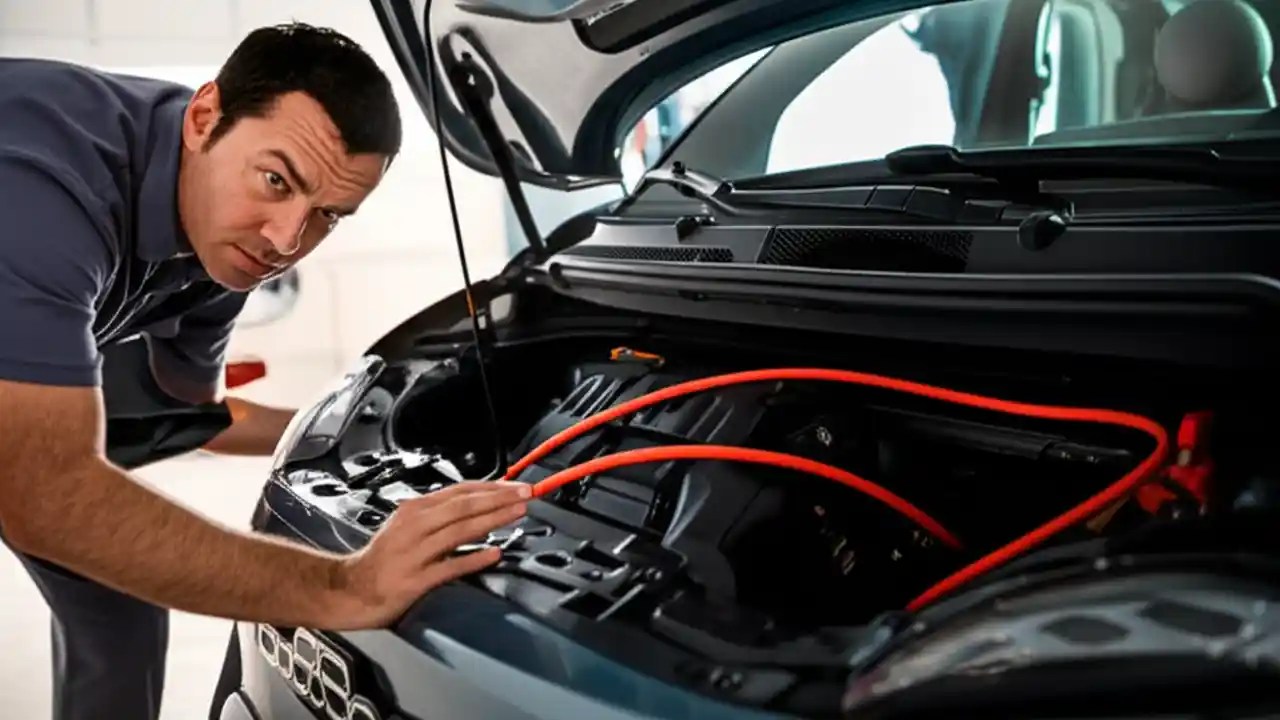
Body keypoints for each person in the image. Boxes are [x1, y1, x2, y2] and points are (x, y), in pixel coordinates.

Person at [0, 22, 528, 720]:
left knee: (121, 605)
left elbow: (187, 415)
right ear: (204, 118)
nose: (286, 241)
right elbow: (44, 498)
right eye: (276, 180)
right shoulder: (42, 185)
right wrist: (348, 587)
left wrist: (384, 426)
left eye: (328, 216)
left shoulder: (228, 247)